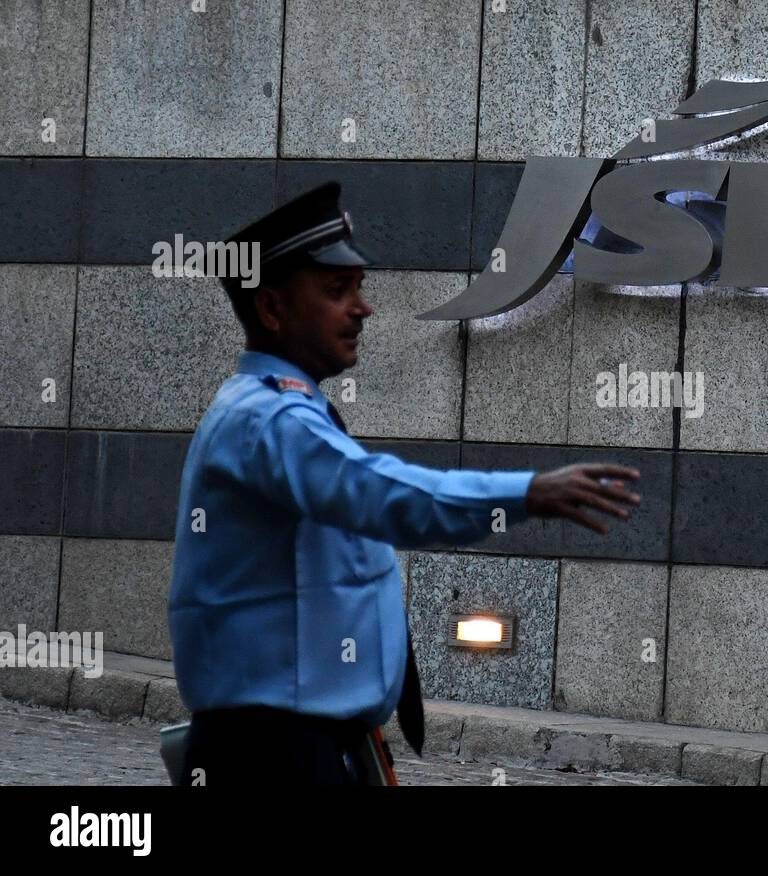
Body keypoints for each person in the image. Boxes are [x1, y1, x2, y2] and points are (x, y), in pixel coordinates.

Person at [167, 182, 640, 786]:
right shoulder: (269, 420)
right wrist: (524, 494)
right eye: (338, 291)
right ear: (272, 309)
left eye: (360, 288)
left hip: (304, 744)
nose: (363, 308)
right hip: (275, 753)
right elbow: (377, 492)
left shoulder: (278, 409)